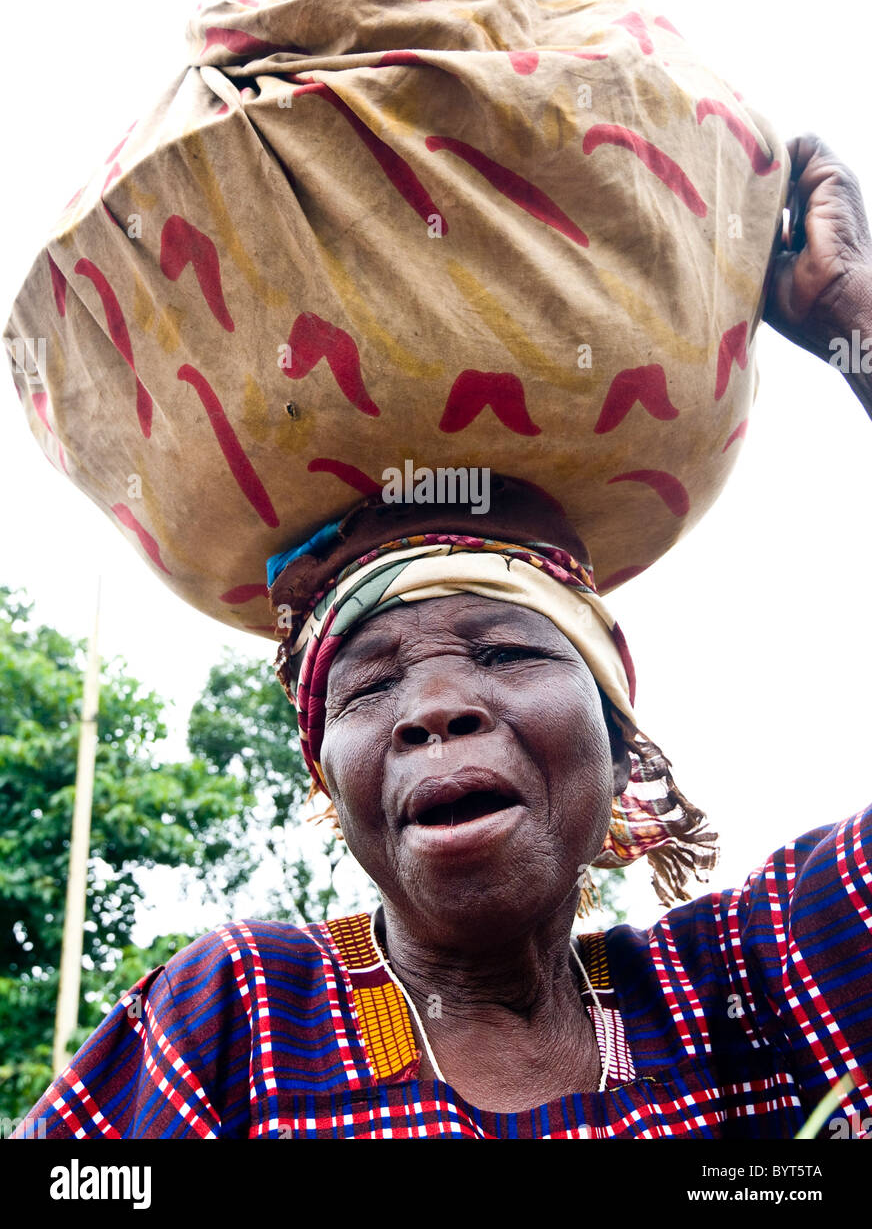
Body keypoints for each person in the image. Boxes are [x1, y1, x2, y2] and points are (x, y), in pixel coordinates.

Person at [14, 137, 872, 1139]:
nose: (433, 708)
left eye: (506, 653)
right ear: (328, 778)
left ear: (615, 724)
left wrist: (850, 311)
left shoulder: (749, 987)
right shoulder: (235, 1024)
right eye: (369, 686)